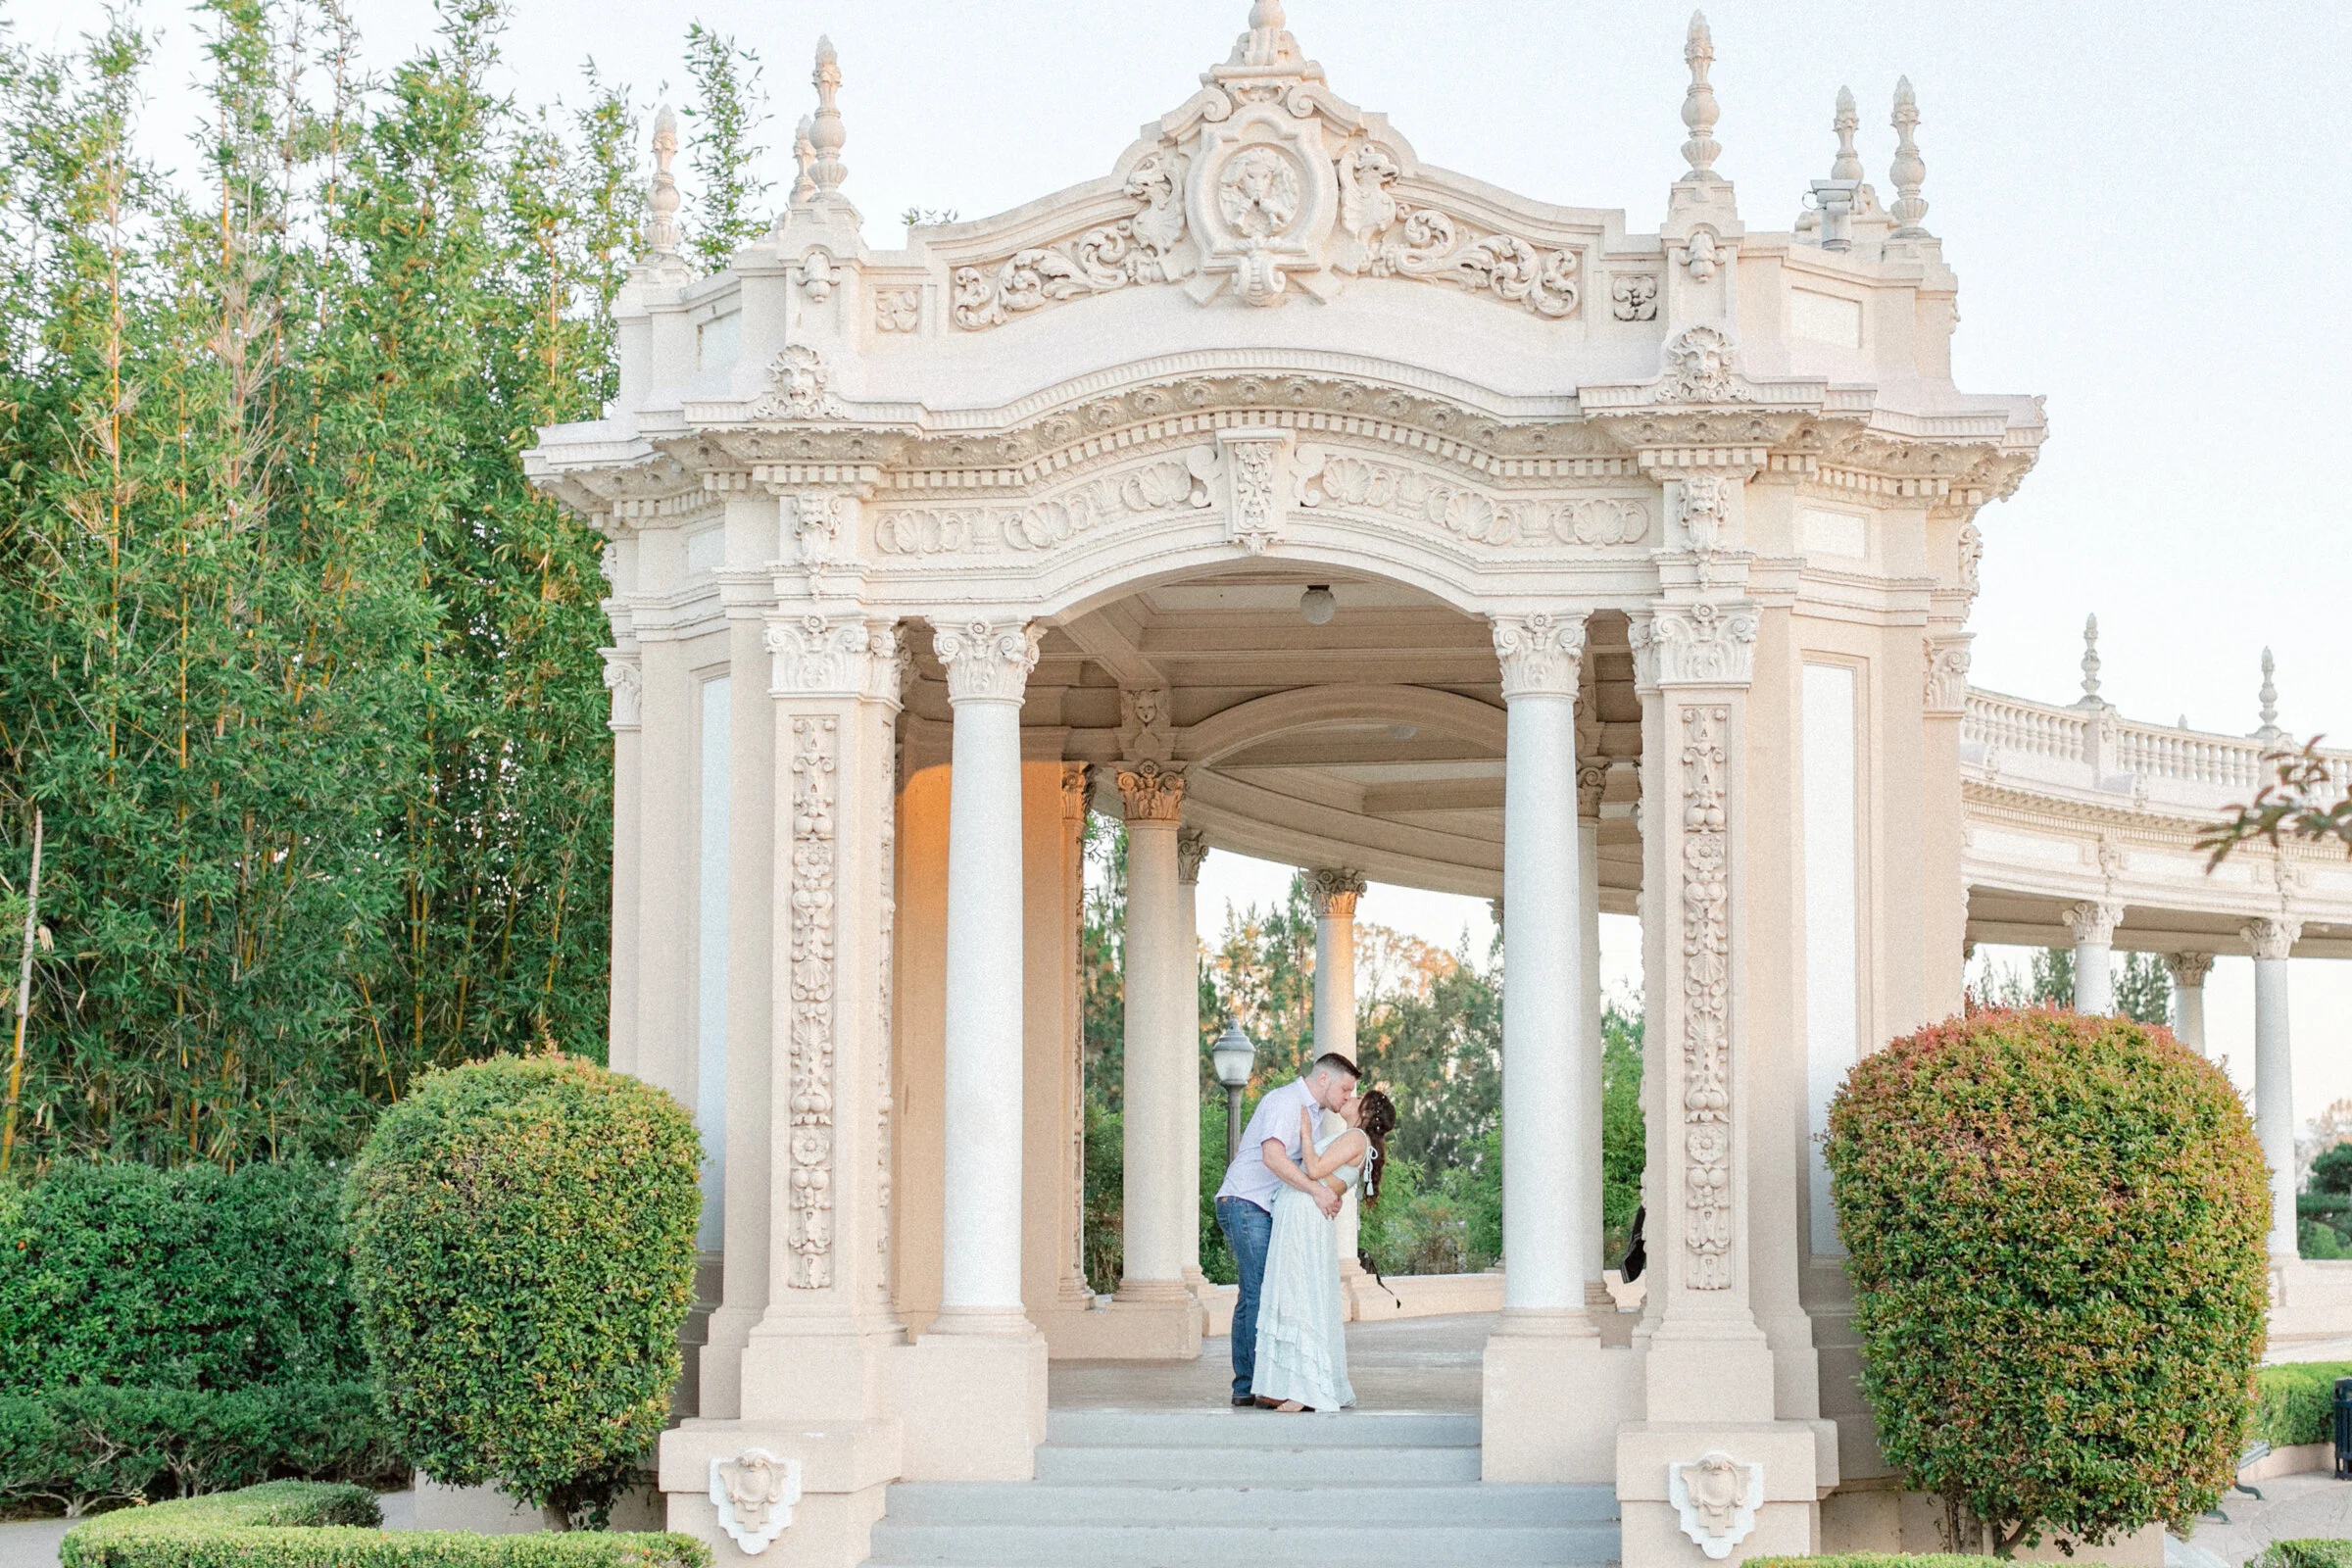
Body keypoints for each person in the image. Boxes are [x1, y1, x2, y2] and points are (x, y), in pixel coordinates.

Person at [1211, 1054, 1358, 1408]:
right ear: (1323, 1079)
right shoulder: (1285, 1101)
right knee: (1258, 1291)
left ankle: (1265, 1383)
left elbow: (1311, 1169)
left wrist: (1329, 1192)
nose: (1347, 1097)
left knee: (1269, 1291)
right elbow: (1273, 1158)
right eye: (1345, 1088)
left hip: (1269, 1208)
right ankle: (1247, 1385)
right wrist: (1317, 1191)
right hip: (1246, 1202)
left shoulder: (1316, 1115)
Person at [1251, 1087, 1396, 1412]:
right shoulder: (1355, 1139)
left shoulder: (1357, 1137)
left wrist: (1304, 1130)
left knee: (1299, 1292)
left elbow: (1315, 1170)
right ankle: (1290, 1383)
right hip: (1300, 1212)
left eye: (1359, 1099)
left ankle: (1305, 1391)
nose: (1350, 1099)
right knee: (1295, 1291)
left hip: (1304, 1215)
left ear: (1368, 1112)